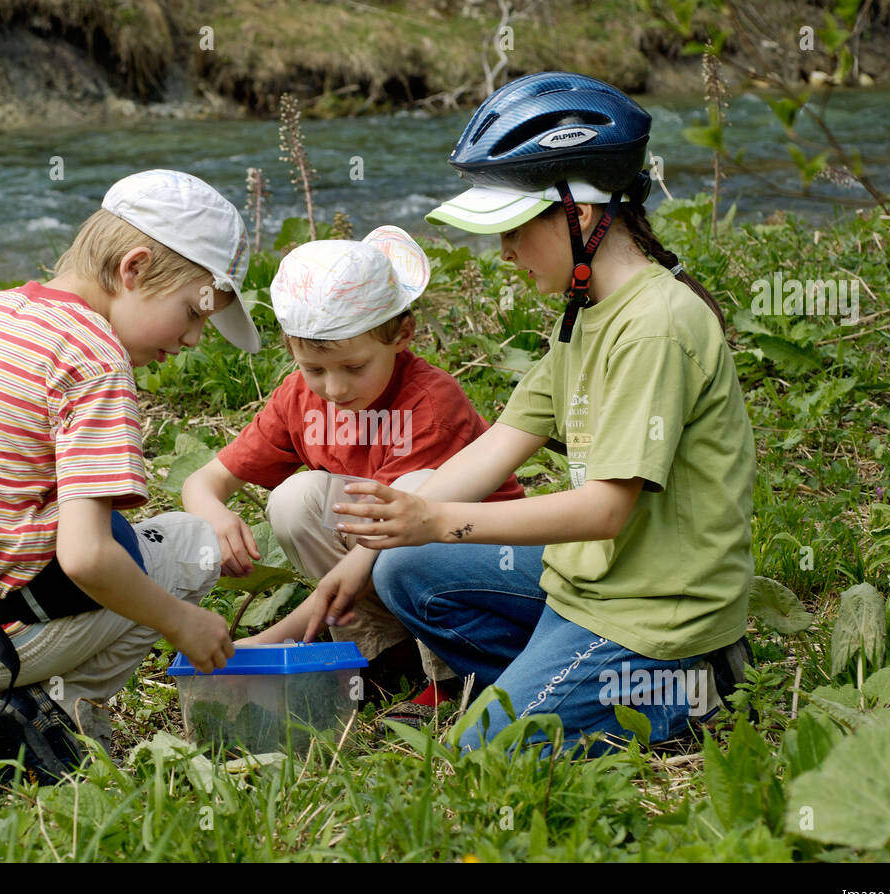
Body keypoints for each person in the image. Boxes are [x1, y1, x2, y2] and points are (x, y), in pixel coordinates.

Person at [302, 73, 756, 755]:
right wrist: (369, 553)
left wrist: (434, 519)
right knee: (404, 570)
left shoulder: (656, 326)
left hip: (652, 614)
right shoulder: (586, 315)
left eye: (512, 229)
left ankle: (681, 685)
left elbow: (605, 510)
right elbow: (496, 449)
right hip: (591, 583)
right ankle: (562, 679)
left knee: (481, 754)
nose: (505, 253)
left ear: (576, 215)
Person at [0, 170, 254, 781]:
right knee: (188, 543)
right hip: (4, 645)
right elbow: (85, 559)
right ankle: (69, 726)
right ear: (133, 269)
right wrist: (183, 622)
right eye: (193, 311)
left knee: (117, 535)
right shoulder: (93, 359)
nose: (192, 337)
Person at [181, 226, 526, 710]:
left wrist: (276, 637)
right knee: (295, 499)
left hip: (472, 568)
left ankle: (449, 674)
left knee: (412, 488)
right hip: (380, 554)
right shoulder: (299, 398)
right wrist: (213, 513)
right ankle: (387, 652)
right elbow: (204, 481)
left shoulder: (429, 403)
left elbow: (392, 533)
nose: (335, 389)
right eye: (315, 369)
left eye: (354, 367)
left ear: (402, 335)